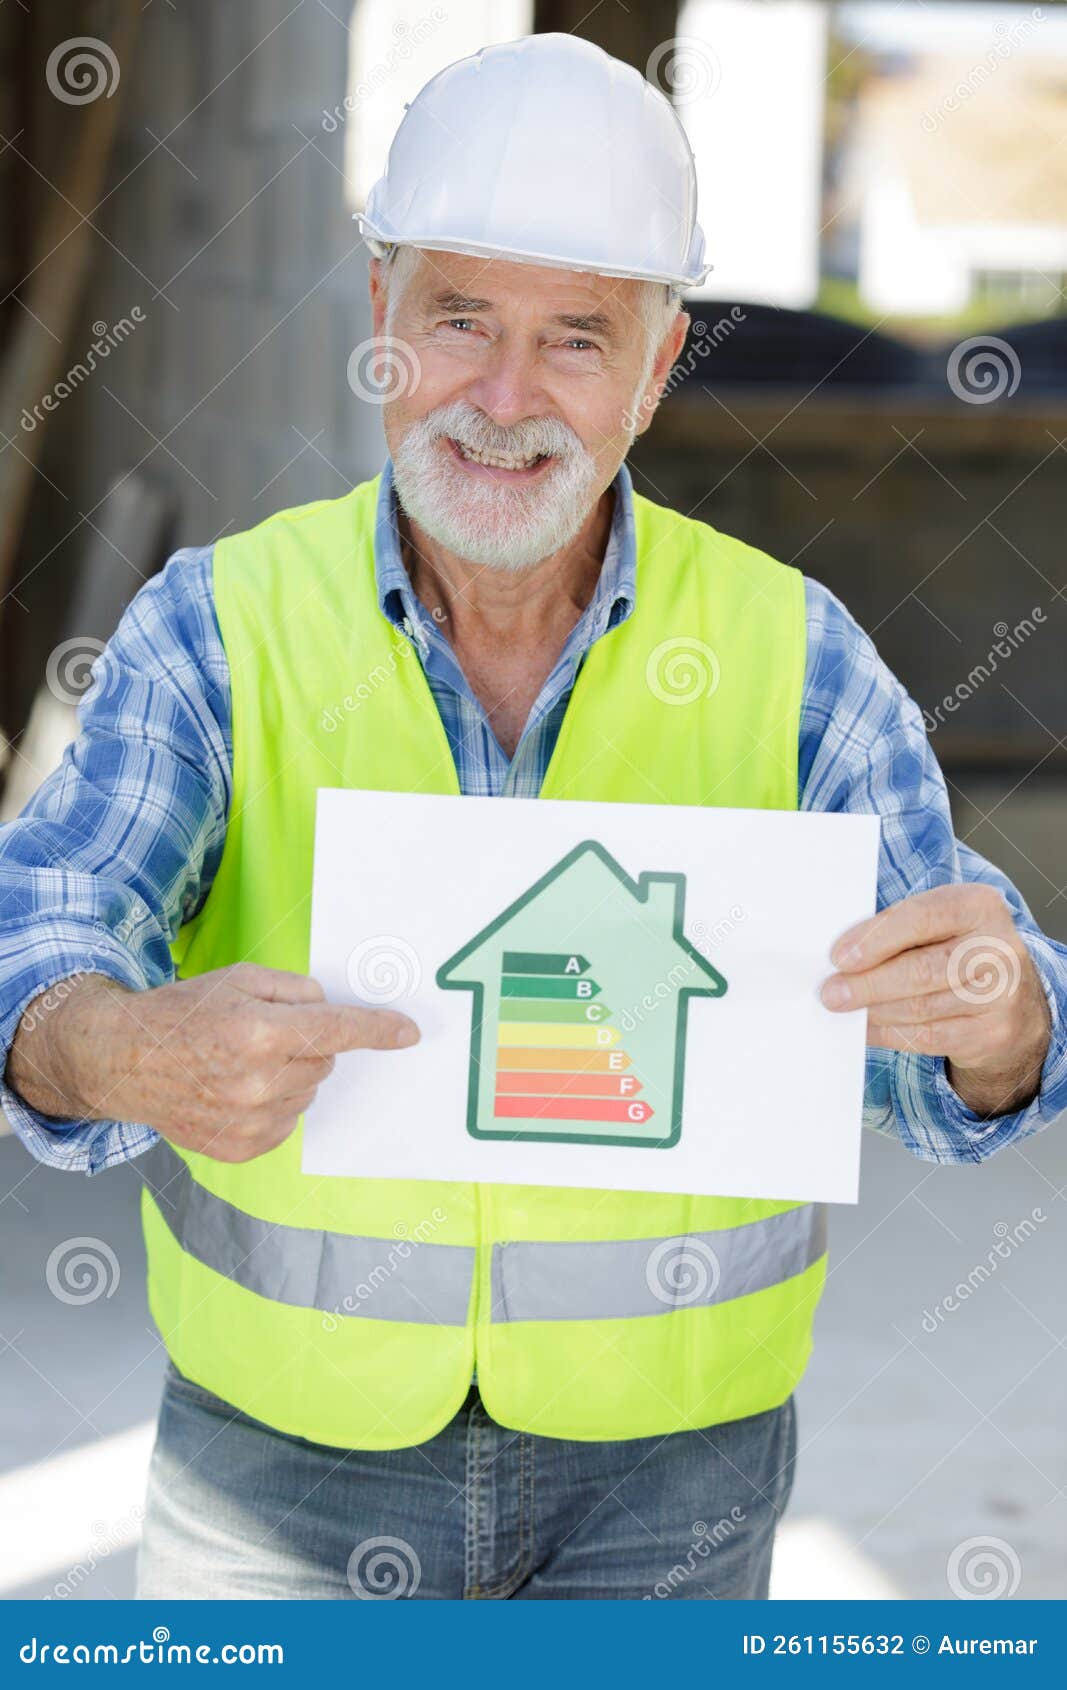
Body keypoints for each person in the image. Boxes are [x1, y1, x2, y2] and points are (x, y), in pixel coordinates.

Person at [1, 34, 1063, 1601]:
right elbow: (42, 935)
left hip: (676, 1485)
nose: (506, 398)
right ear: (380, 321)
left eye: (576, 337)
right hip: (275, 1469)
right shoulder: (219, 628)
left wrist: (1003, 1012)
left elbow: (965, 1047)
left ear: (653, 365)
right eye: (460, 320)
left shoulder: (793, 656)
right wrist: (117, 1046)